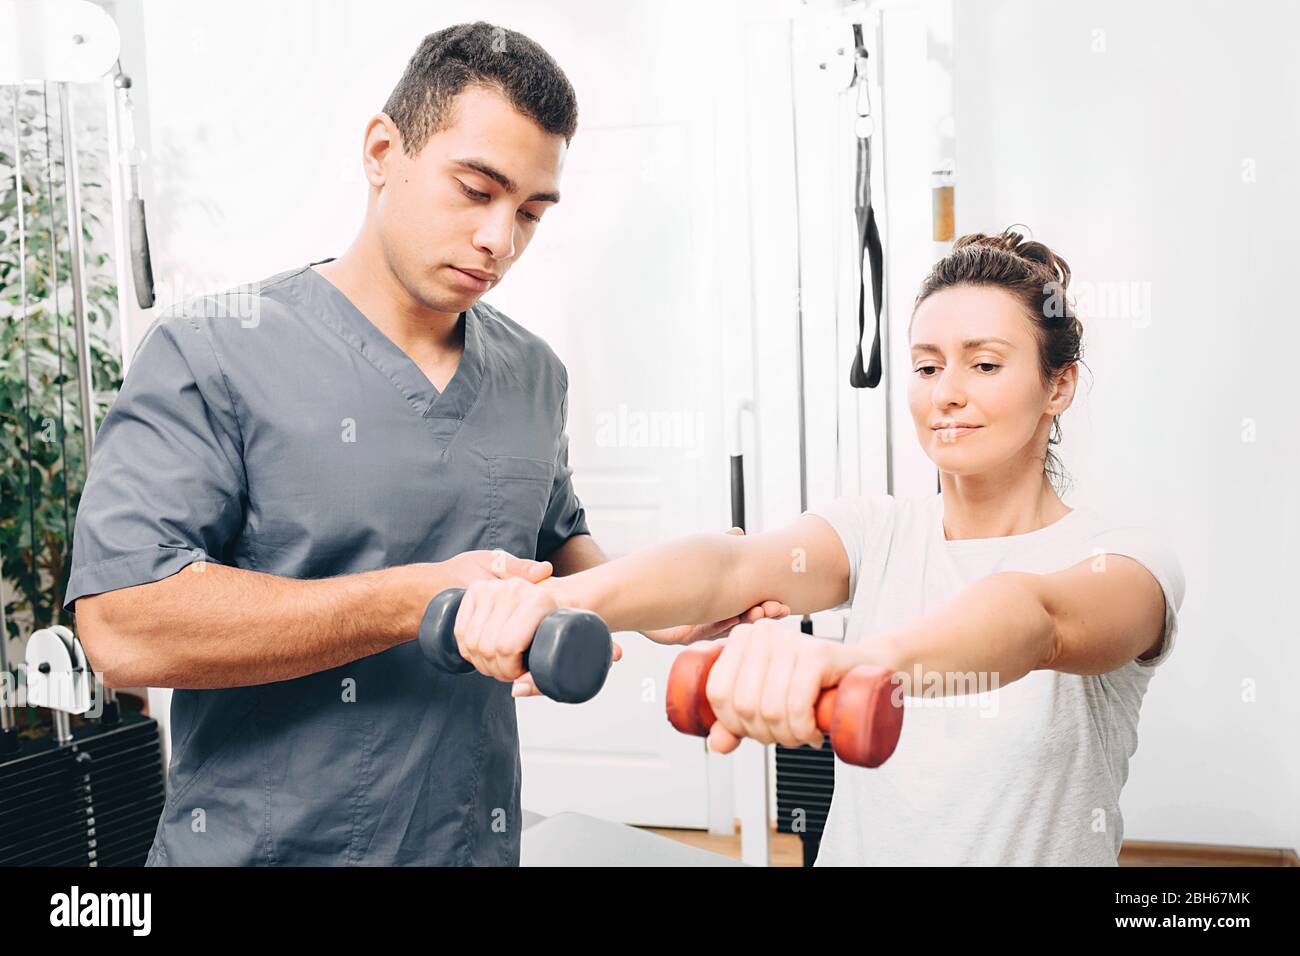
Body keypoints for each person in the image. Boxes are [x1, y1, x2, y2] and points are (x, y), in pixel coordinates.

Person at [63, 21, 777, 867]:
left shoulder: (532, 374)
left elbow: (552, 545)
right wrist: (419, 600)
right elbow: (123, 629)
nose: (499, 241)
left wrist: (665, 606)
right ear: (381, 152)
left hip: (467, 843)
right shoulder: (214, 351)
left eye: (531, 213)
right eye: (477, 190)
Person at [450, 228, 1187, 866]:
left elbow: (1037, 618)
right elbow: (732, 567)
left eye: (985, 364)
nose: (946, 393)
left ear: (1058, 386)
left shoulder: (1123, 559)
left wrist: (855, 664)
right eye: (928, 366)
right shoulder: (879, 528)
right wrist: (549, 600)